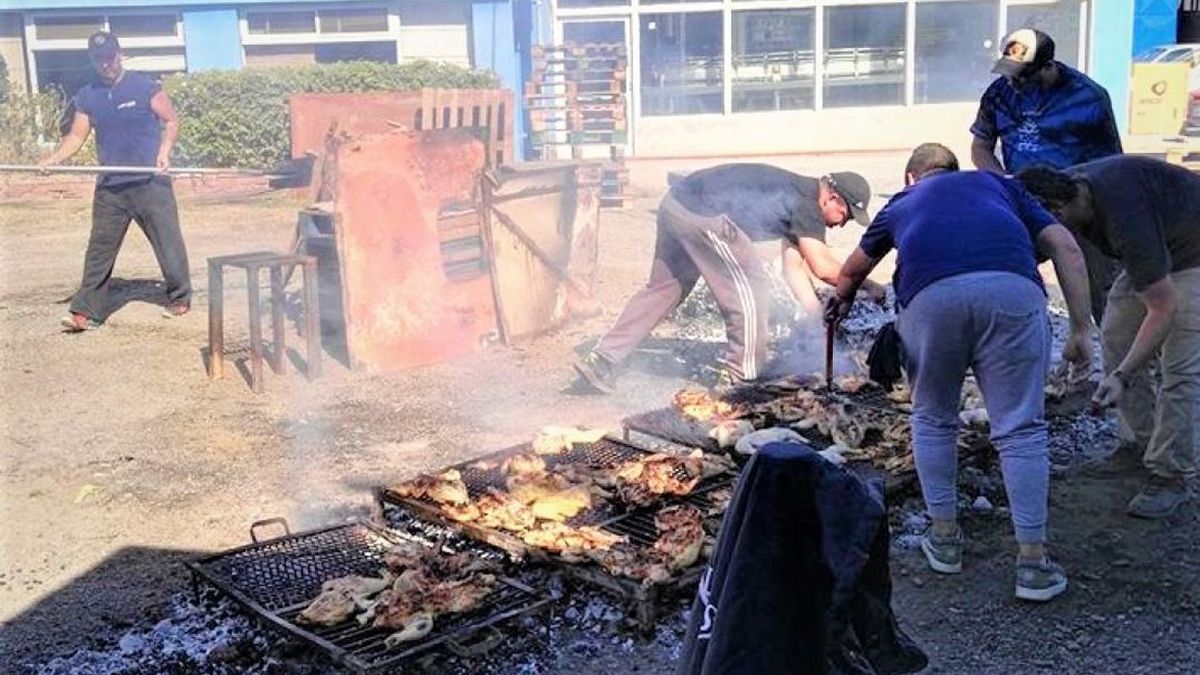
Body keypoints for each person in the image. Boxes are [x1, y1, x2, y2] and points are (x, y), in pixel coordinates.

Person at [826, 143, 1094, 602]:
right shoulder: (999, 185)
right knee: (1021, 428)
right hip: (1013, 293)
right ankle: (1033, 562)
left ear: (913, 177)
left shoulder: (903, 202)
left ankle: (945, 540)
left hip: (932, 300)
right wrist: (1081, 328)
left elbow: (853, 269)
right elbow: (1065, 244)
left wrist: (845, 298)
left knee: (932, 417)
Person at [572, 163, 885, 394]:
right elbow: (824, 267)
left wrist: (818, 322)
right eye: (845, 217)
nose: (842, 225)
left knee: (666, 289)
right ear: (833, 199)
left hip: (676, 204)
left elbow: (795, 268)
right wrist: (869, 285)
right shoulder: (807, 203)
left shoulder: (797, 198)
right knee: (750, 284)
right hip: (704, 213)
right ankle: (741, 377)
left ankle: (603, 360)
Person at [1018, 157, 1200, 519]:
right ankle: (1138, 444)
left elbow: (1161, 309)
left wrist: (1122, 377)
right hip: (1157, 252)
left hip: (1193, 255)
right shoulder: (1065, 187)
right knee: (1116, 336)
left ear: (1060, 210)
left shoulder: (1125, 219)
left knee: (1180, 369)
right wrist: (1078, 330)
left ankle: (1171, 475)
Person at [39, 31, 190, 332]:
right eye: (99, 59)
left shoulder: (145, 87)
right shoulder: (87, 96)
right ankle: (86, 311)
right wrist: (54, 159)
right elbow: (77, 136)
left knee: (167, 240)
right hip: (112, 187)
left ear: (120, 54)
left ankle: (179, 297)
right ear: (92, 60)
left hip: (150, 181)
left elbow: (171, 121)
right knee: (99, 249)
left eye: (110, 57)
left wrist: (164, 152)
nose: (105, 64)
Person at [971, 27, 1123, 324]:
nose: (1014, 83)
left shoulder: (1088, 97)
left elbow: (1111, 164)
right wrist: (1004, 181)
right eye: (1009, 73)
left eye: (1022, 75)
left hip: (1079, 203)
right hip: (1025, 200)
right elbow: (981, 146)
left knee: (1104, 289)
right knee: (1008, 274)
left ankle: (1118, 356)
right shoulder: (998, 94)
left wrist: (1080, 198)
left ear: (1048, 66)